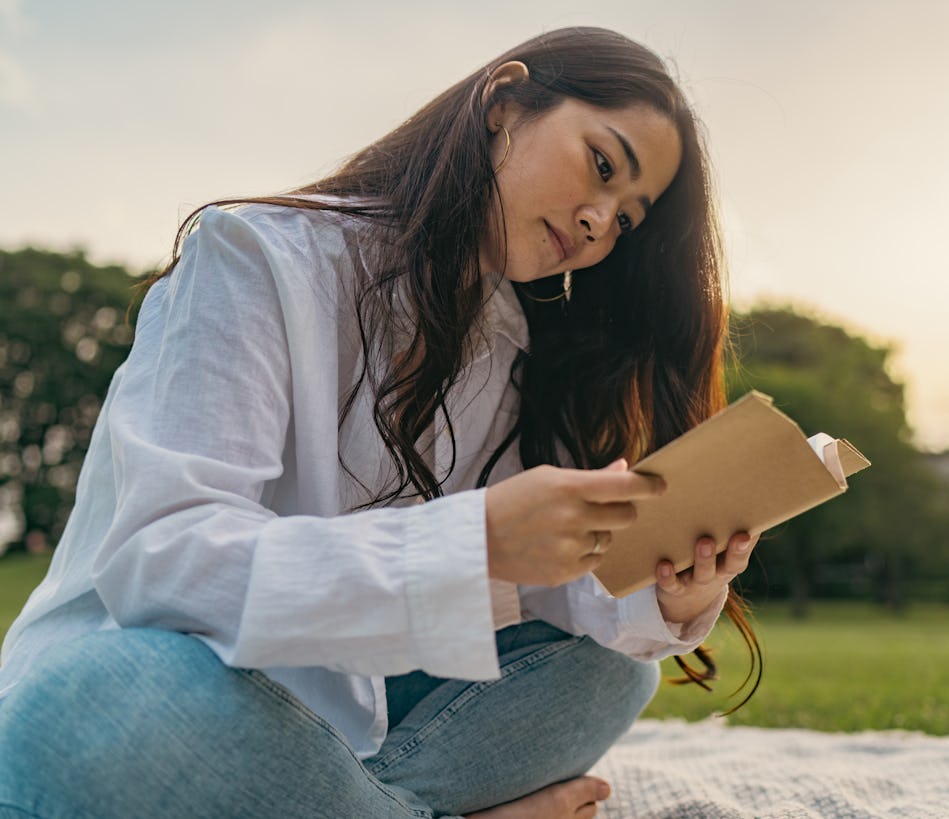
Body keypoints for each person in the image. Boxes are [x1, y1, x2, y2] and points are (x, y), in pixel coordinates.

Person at [0, 26, 760, 819]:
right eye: (602, 166)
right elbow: (167, 563)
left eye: (627, 219)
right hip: (163, 688)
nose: (602, 221)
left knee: (612, 668)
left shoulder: (513, 348)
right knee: (84, 707)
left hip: (332, 731)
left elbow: (544, 591)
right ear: (504, 103)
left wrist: (673, 592)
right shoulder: (256, 257)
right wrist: (477, 542)